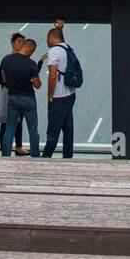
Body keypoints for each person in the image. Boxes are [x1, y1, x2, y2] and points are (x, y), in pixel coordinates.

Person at [0, 36, 41, 157]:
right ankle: (35, 155)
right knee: (32, 129)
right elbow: (37, 85)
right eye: (33, 50)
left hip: (12, 97)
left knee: (10, 128)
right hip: (28, 98)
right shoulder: (31, 64)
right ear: (30, 47)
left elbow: (4, 79)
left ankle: (6, 155)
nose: (32, 53)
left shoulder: (7, 60)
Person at [42, 22, 78, 159]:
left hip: (58, 97)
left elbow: (52, 76)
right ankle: (68, 157)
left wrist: (50, 96)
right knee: (68, 129)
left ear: (51, 38)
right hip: (70, 94)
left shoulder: (53, 52)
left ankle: (45, 158)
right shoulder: (68, 48)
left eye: (47, 39)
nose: (46, 42)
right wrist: (60, 28)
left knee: (53, 131)